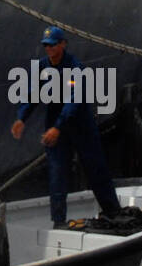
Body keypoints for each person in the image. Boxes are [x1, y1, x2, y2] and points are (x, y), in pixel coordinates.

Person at [10, 27, 123, 228]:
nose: (49, 48)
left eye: (53, 44)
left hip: (80, 125)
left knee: (95, 168)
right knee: (57, 173)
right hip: (56, 128)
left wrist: (58, 127)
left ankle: (112, 211)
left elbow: (74, 100)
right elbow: (31, 96)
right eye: (46, 45)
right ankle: (59, 221)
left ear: (63, 44)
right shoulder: (43, 68)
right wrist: (21, 119)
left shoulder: (75, 68)